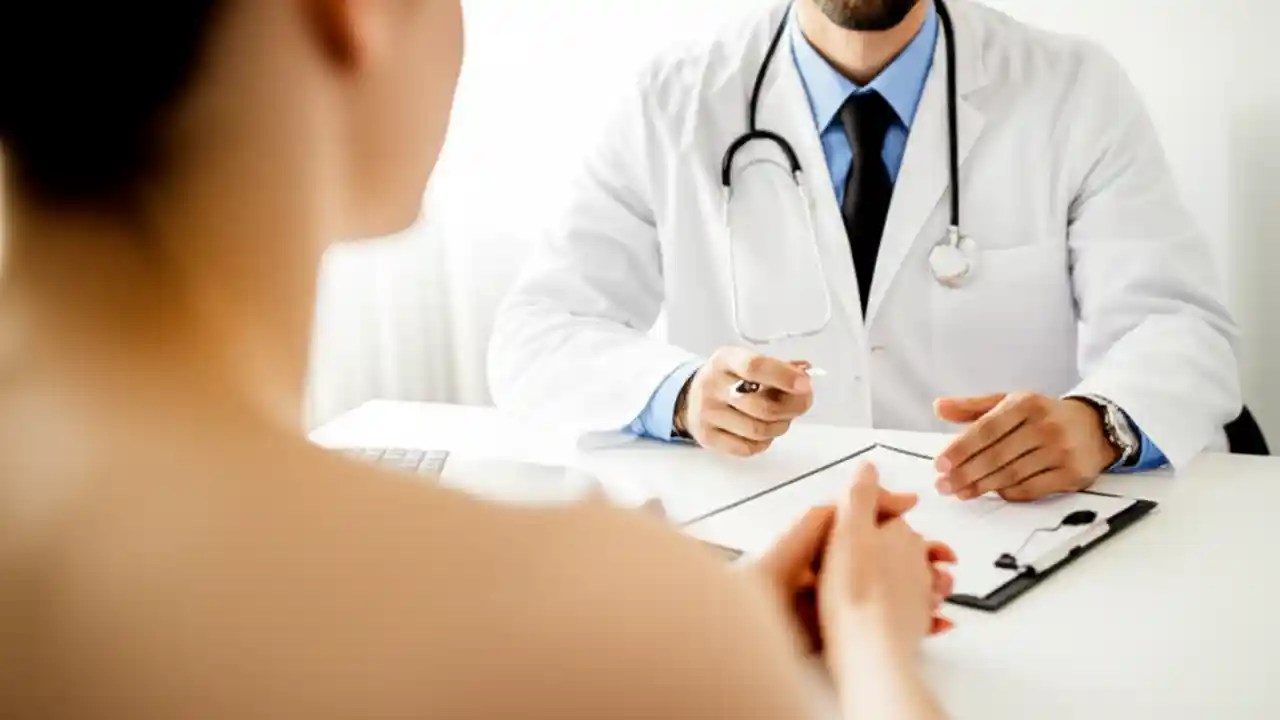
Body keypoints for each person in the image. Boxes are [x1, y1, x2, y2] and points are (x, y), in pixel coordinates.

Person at [0, 1, 955, 718]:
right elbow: (542, 333)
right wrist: (870, 638)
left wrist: (700, 630)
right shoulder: (604, 612)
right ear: (354, 12)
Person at [487, 0, 1242, 503]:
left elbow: (1182, 332)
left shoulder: (1072, 89)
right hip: (757, 531)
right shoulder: (672, 98)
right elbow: (537, 338)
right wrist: (681, 396)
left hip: (1006, 531)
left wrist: (1100, 423)